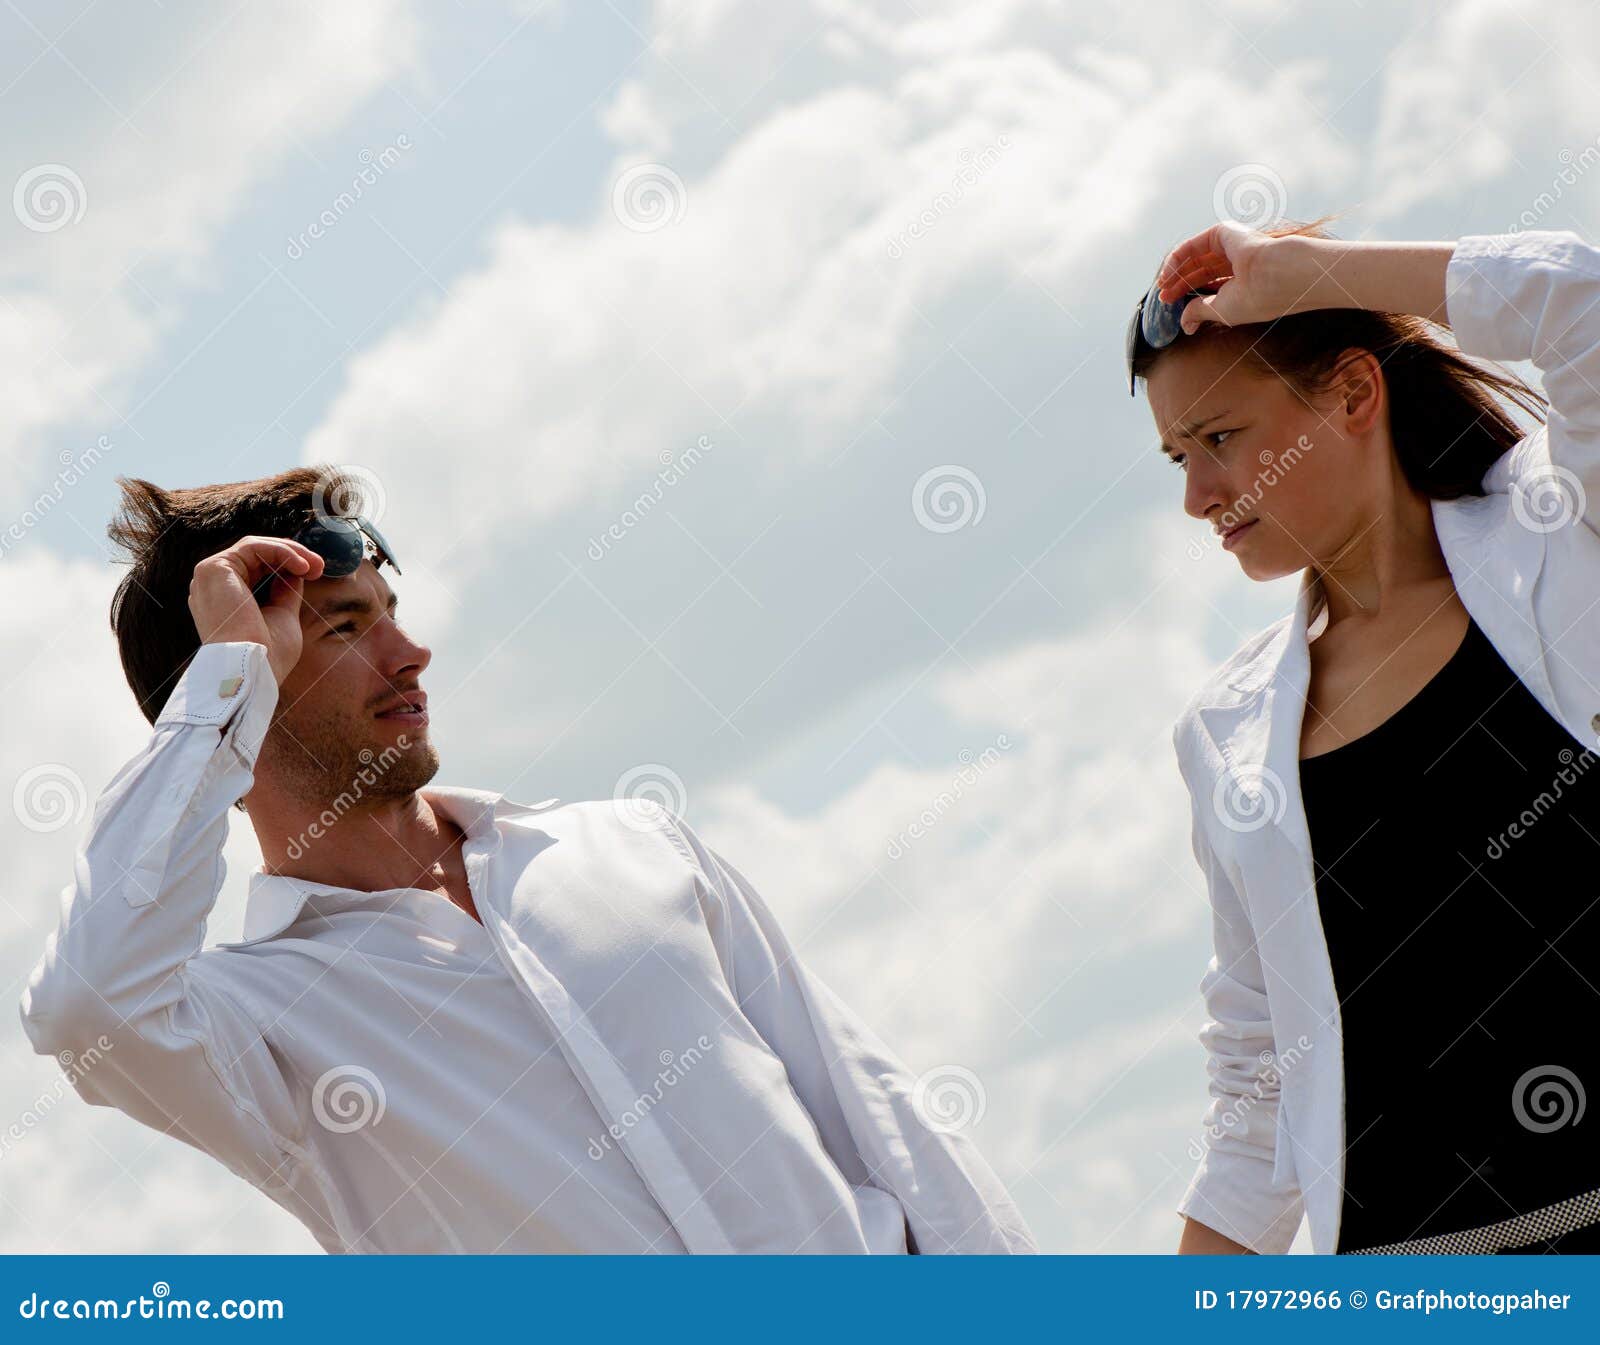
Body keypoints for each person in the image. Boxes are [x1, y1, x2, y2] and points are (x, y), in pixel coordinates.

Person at [19, 468, 1036, 1255]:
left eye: (392, 612)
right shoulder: (254, 1027)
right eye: (342, 626)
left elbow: (880, 1119)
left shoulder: (632, 846)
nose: (409, 653)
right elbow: (85, 1008)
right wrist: (231, 673)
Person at [1129, 221, 1600, 1254]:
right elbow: (1256, 1091)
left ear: (1350, 394)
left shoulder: (1563, 542)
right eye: (1177, 455)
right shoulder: (1224, 732)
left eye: (1219, 438)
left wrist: (1313, 276)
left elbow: (1581, 300)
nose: (1197, 496)